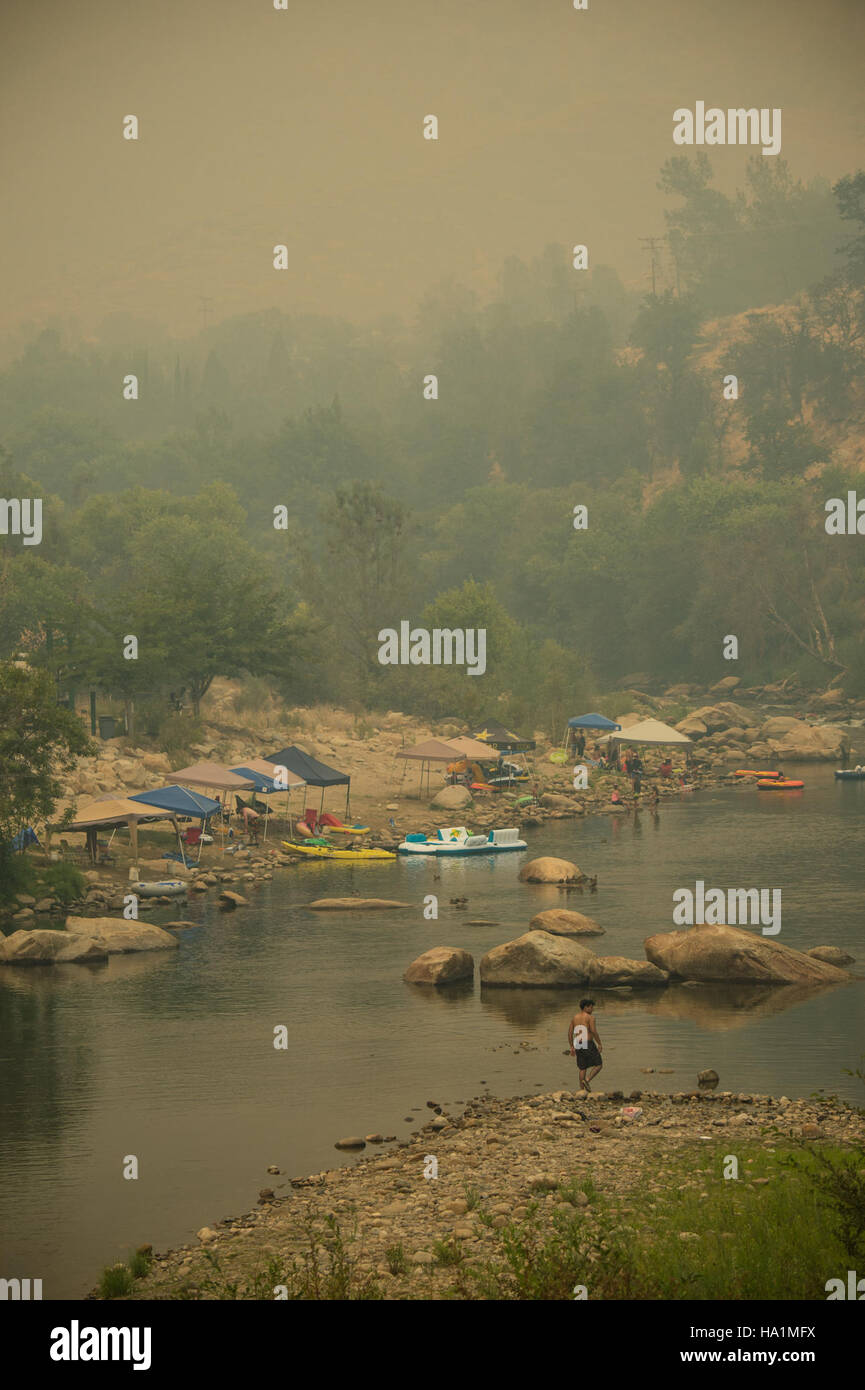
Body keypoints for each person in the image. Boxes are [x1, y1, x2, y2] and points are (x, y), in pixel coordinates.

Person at [569, 998, 603, 1092]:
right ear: (586, 1007)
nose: (592, 1010)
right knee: (599, 1064)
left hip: (578, 1043)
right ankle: (587, 1080)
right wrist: (599, 1043)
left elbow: (570, 1032)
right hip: (587, 1043)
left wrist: (571, 1046)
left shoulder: (575, 1017)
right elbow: (593, 1031)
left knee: (582, 1067)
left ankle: (581, 1091)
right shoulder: (590, 1017)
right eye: (591, 1007)